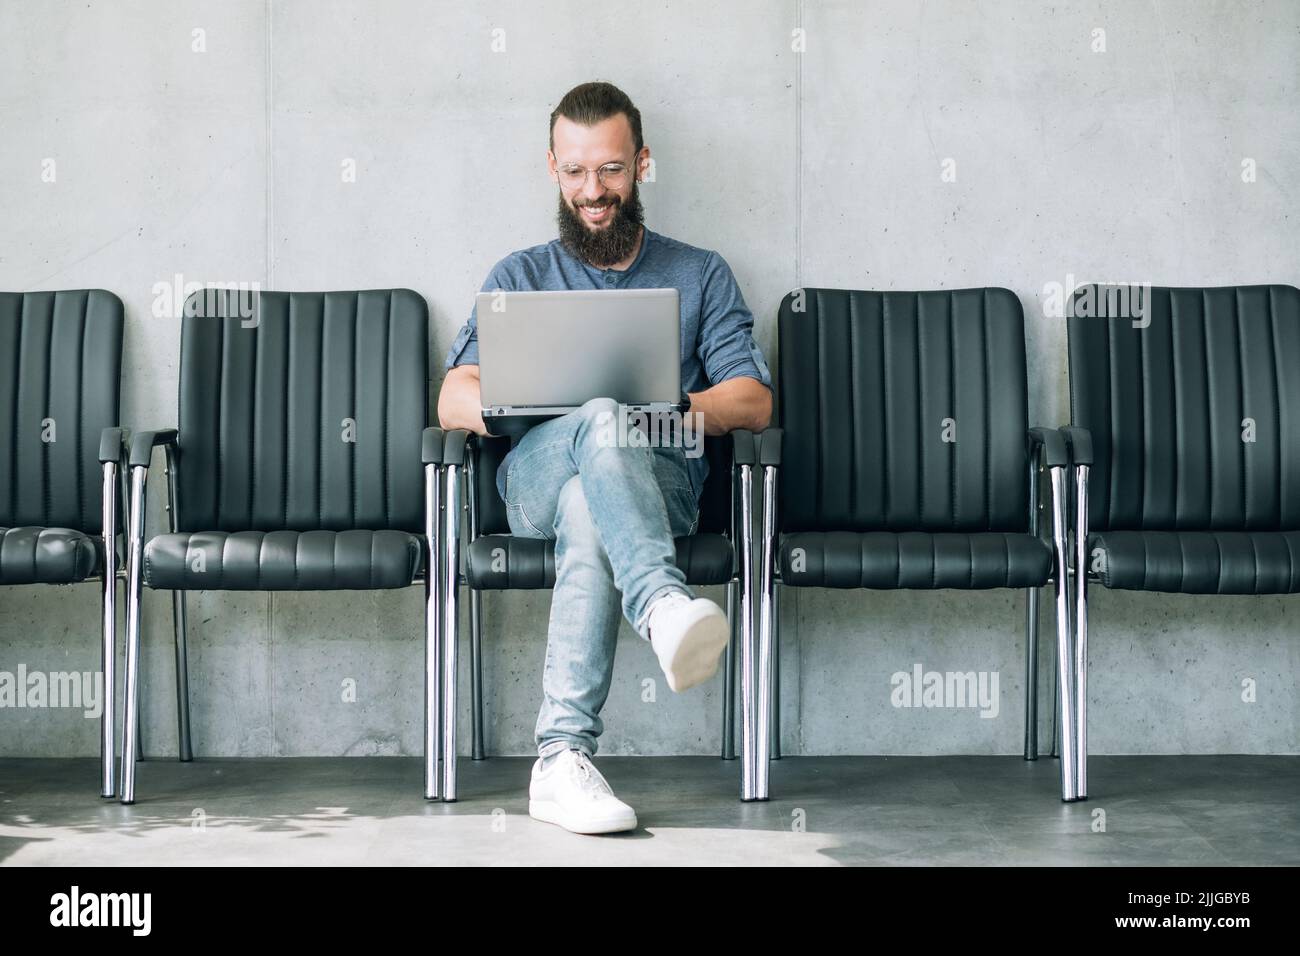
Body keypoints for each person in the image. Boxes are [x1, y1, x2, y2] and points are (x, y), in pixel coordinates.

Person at [437, 81, 772, 834]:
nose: (594, 191)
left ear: (642, 165)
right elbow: (452, 395)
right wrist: (526, 402)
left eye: (612, 170)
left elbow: (753, 400)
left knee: (598, 493)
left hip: (662, 484)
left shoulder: (700, 272)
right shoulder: (518, 277)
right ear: (552, 168)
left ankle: (560, 760)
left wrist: (671, 413)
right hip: (535, 485)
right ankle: (659, 605)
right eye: (577, 172)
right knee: (596, 424)